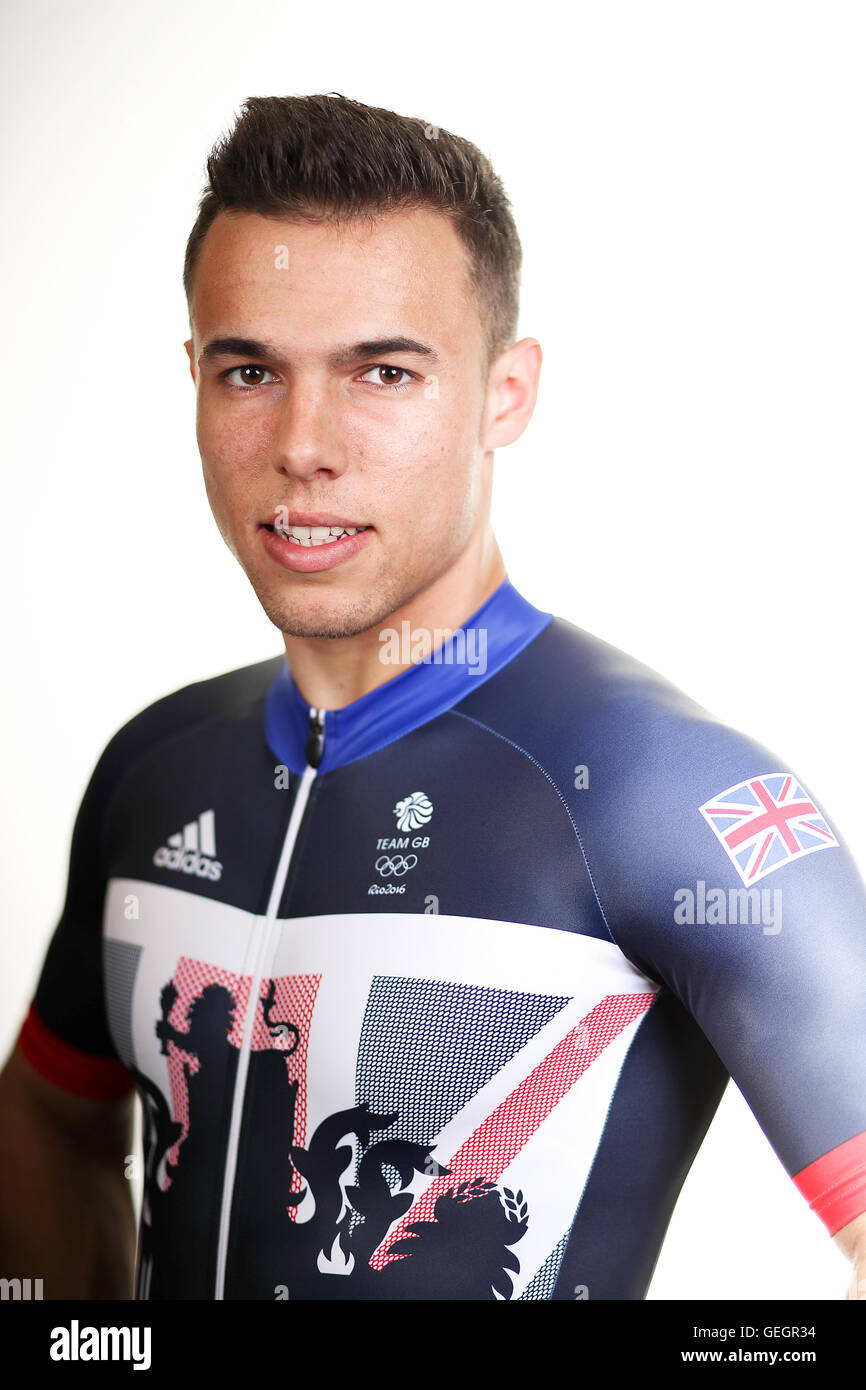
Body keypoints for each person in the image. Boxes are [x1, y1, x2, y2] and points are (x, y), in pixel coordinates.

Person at [1, 92, 864, 1302]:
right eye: (250, 369)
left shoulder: (660, 793)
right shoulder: (157, 766)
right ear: (193, 376)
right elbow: (51, 1125)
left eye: (383, 372)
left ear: (504, 395)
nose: (304, 443)